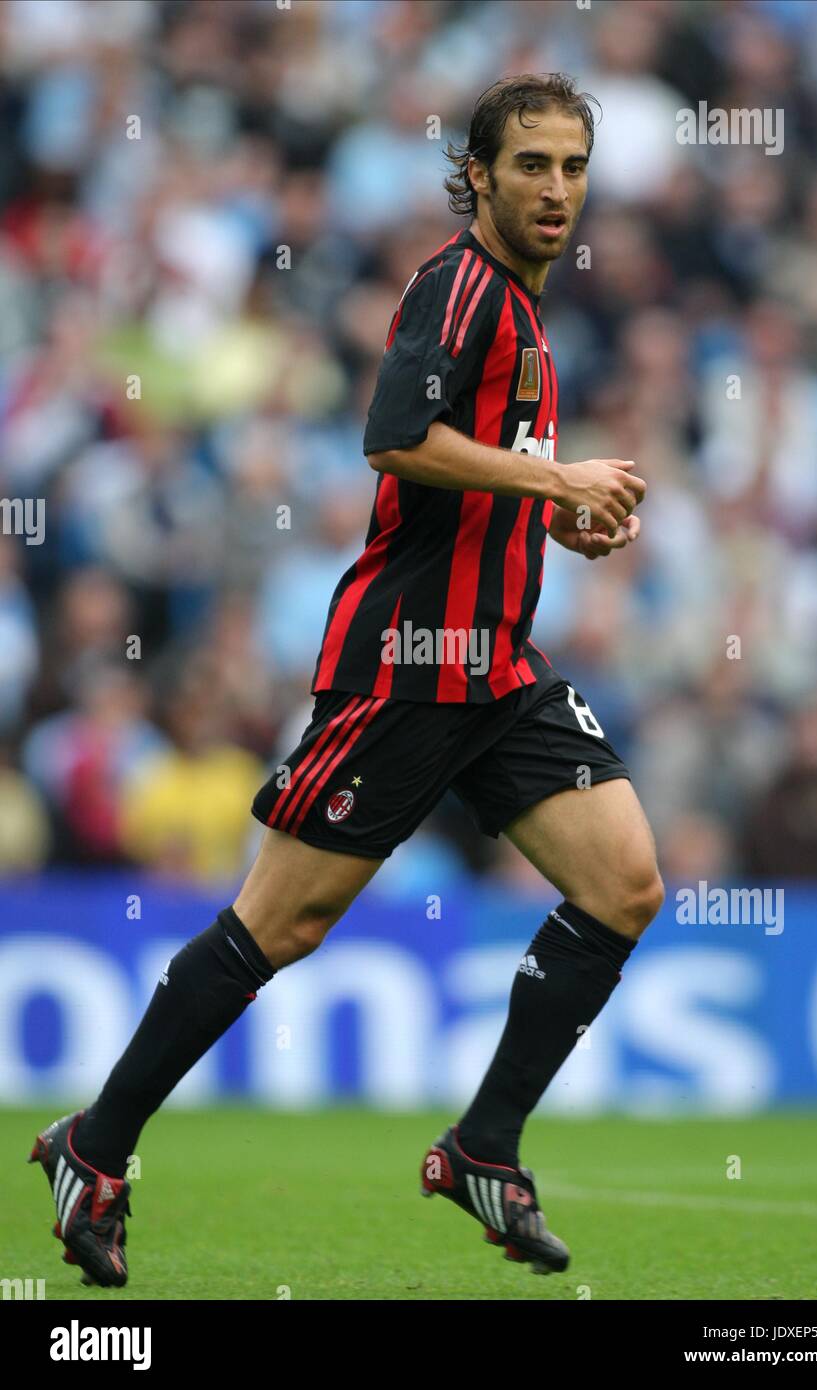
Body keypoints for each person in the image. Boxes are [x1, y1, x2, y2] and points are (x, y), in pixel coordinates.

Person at [29, 72, 664, 1285]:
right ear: (477, 174)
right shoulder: (457, 288)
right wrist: (558, 482)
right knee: (283, 923)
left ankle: (484, 1144)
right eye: (530, 164)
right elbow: (392, 435)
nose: (555, 189)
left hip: (499, 668)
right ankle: (94, 1147)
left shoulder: (525, 311)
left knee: (625, 882)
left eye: (573, 168)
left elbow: (470, 481)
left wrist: (564, 523)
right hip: (406, 666)